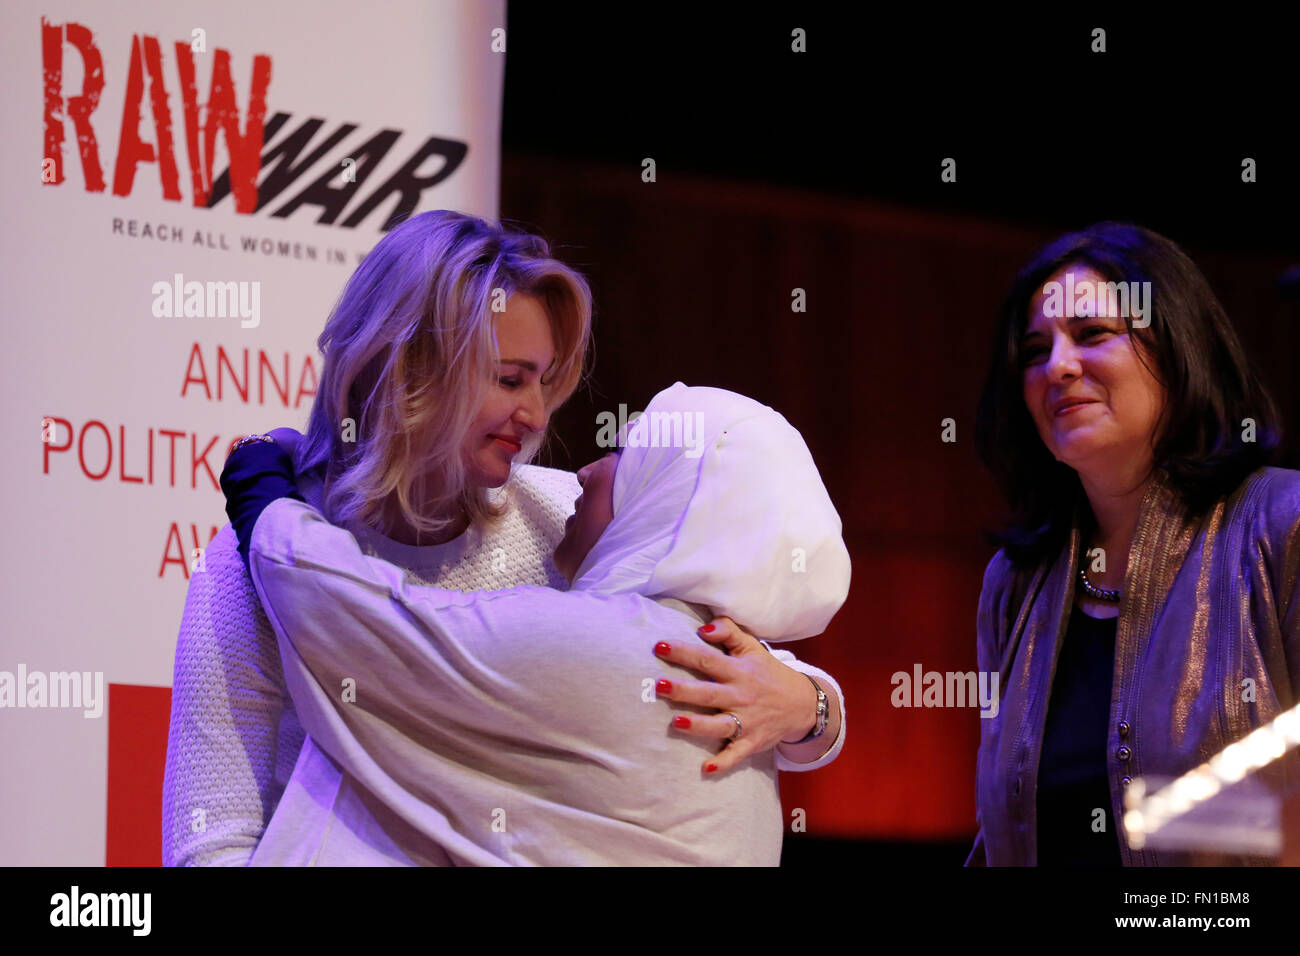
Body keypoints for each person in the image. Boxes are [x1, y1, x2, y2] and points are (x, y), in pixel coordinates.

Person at [162, 210, 846, 866]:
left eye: (545, 382)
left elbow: (693, 655)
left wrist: (809, 704)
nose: (537, 413)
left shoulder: (566, 517)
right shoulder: (243, 565)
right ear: (408, 368)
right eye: (511, 378)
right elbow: (211, 836)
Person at [224, 383, 850, 865]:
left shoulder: (612, 645)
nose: (586, 469)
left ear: (666, 499)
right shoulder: (730, 668)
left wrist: (258, 478)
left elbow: (353, 616)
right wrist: (816, 703)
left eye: (626, 457)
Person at [968, 221, 1300, 866]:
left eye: (1091, 335)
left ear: (1179, 350)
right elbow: (1004, 828)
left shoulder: (1282, 523)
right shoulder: (1014, 581)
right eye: (1035, 351)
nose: (1058, 366)